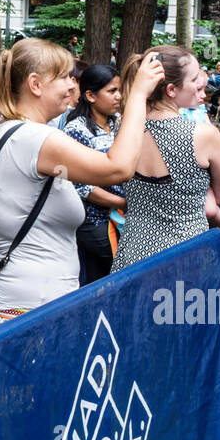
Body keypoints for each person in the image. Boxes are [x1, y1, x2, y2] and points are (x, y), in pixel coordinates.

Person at [0, 39, 164, 325]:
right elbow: (118, 168)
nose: (73, 86)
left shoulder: (6, 132)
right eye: (64, 77)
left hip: (18, 302)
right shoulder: (36, 139)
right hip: (32, 308)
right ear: (35, 85)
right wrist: (137, 95)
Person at [113, 46, 220, 270]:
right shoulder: (203, 134)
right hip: (185, 256)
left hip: (132, 254)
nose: (201, 83)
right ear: (171, 90)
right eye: (194, 79)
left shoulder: (124, 125)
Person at [64, 64, 128, 285]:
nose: (119, 96)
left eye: (119, 90)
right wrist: (122, 203)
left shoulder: (118, 123)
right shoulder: (76, 130)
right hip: (95, 221)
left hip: (122, 216)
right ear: (90, 95)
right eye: (112, 91)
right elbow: (81, 186)